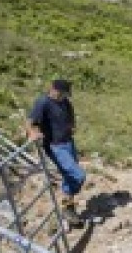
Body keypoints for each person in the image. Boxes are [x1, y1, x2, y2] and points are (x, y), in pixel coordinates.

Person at [25, 79, 86, 227]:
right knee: (78, 175)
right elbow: (30, 122)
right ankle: (67, 206)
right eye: (63, 93)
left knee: (69, 175)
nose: (65, 96)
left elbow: (71, 118)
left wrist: (71, 127)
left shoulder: (65, 102)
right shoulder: (43, 102)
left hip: (68, 142)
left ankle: (69, 208)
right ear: (54, 90)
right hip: (55, 146)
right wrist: (32, 133)